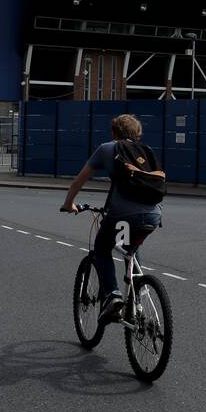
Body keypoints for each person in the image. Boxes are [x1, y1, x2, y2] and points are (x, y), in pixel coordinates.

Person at [61, 114, 165, 324]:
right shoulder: (147, 151)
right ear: (138, 134)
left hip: (123, 215)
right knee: (130, 246)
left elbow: (78, 182)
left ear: (114, 132)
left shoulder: (107, 149)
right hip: (153, 214)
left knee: (101, 246)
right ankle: (139, 290)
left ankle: (113, 296)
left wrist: (69, 204)